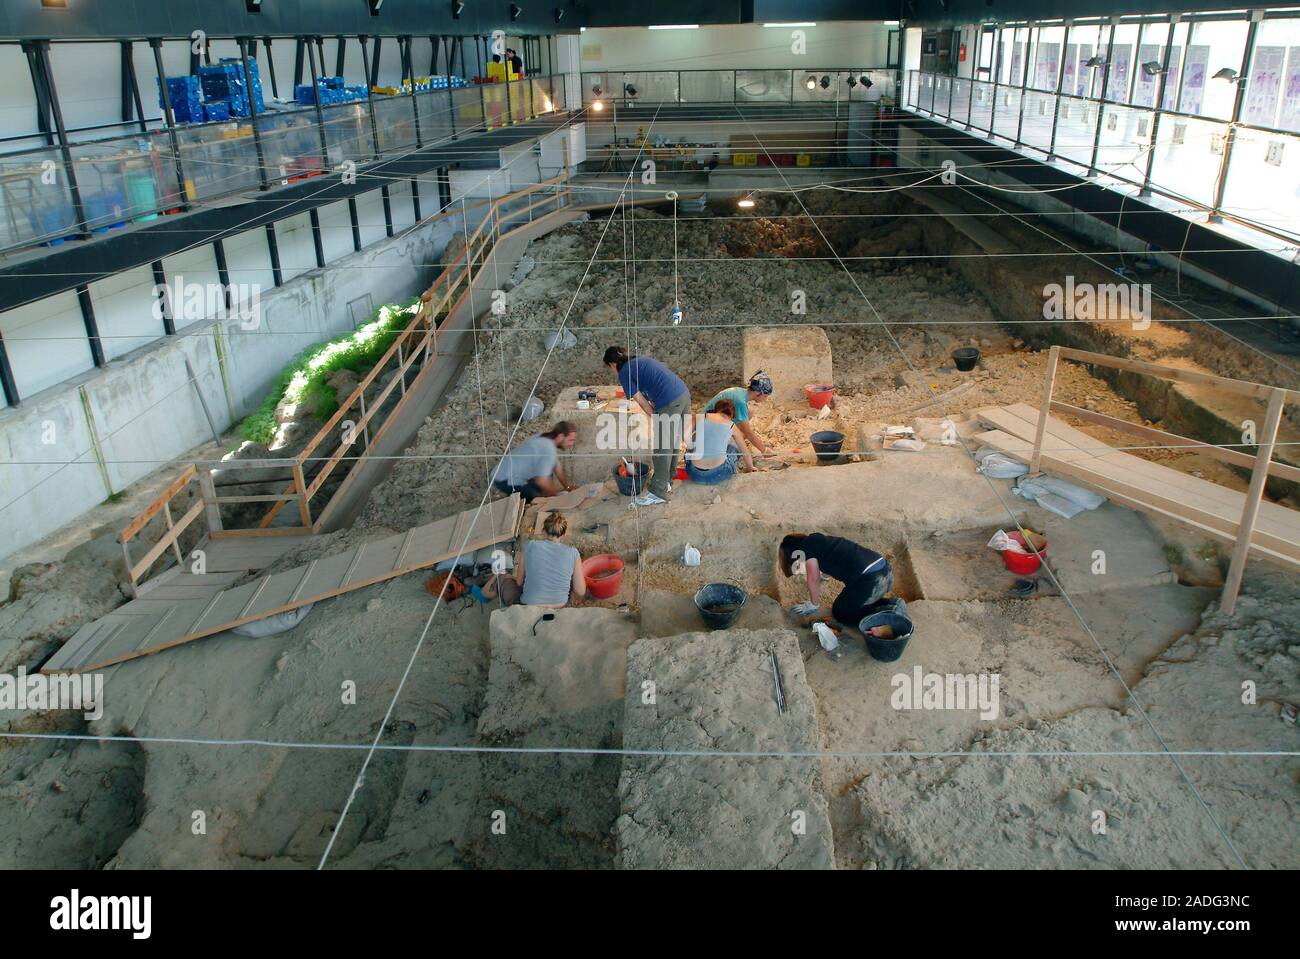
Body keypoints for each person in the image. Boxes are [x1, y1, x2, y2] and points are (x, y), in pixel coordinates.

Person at [603, 346, 690, 507]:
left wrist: (656, 417)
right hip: (683, 394)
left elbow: (641, 401)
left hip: (670, 400)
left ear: (612, 364)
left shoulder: (624, 372)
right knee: (673, 441)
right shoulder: (638, 361)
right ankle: (668, 480)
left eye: (610, 369)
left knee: (662, 447)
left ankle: (658, 491)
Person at [778, 532, 894, 630]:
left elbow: (813, 578)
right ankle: (891, 604)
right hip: (884, 571)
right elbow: (833, 559)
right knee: (852, 601)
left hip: (872, 580)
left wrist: (813, 604)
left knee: (841, 612)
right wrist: (824, 576)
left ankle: (887, 613)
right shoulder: (816, 540)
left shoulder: (806, 549)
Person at [473, 512, 585, 608]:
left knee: (502, 576)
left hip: (529, 606)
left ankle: (483, 594)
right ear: (563, 535)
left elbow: (519, 582)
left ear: (542, 530)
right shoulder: (573, 553)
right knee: (571, 579)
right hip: (560, 606)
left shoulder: (530, 546)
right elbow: (580, 591)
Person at [491, 421, 577, 502]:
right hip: (505, 478)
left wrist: (567, 487)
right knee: (536, 502)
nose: (572, 444)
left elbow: (557, 467)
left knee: (545, 481)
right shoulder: (548, 448)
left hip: (505, 471)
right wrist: (557, 498)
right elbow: (542, 481)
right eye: (570, 440)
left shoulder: (545, 437)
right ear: (561, 436)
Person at [701, 370, 773, 455]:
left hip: (706, 424)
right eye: (765, 396)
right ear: (758, 392)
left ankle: (730, 441)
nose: (765, 399)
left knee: (749, 413)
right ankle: (726, 445)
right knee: (743, 433)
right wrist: (764, 450)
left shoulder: (740, 393)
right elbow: (748, 432)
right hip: (704, 432)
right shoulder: (740, 402)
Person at [685, 398, 754, 485]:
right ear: (731, 415)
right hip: (718, 474)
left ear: (716, 410)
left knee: (695, 438)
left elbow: (686, 436)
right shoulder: (732, 425)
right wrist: (750, 467)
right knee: (733, 446)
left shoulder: (699, 416)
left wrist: (692, 449)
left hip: (694, 473)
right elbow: (744, 451)